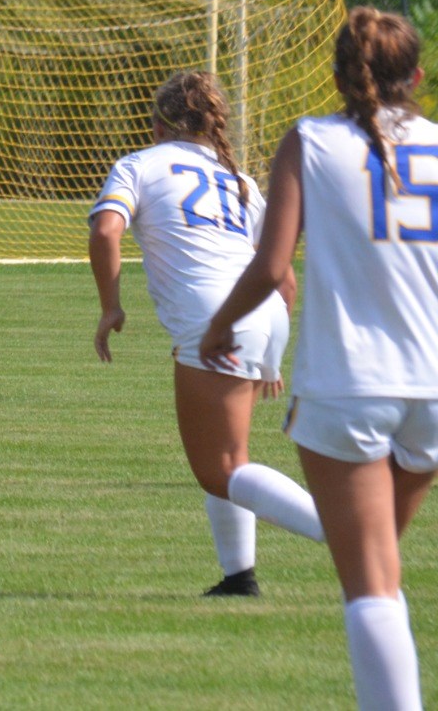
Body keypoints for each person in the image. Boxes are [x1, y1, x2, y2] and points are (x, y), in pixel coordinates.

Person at [204, 8, 436, 709]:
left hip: (348, 383)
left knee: (370, 584)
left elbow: (272, 263)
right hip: (433, 385)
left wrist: (220, 326)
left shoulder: (309, 140)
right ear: (418, 76)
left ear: (338, 76)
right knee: (380, 570)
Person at [88, 70, 323, 598]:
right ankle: (239, 578)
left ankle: (345, 530)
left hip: (214, 316)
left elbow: (106, 230)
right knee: (230, 454)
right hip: (263, 314)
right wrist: (272, 354)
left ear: (156, 124)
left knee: (219, 470)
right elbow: (283, 274)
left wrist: (110, 307)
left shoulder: (139, 164)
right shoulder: (238, 178)